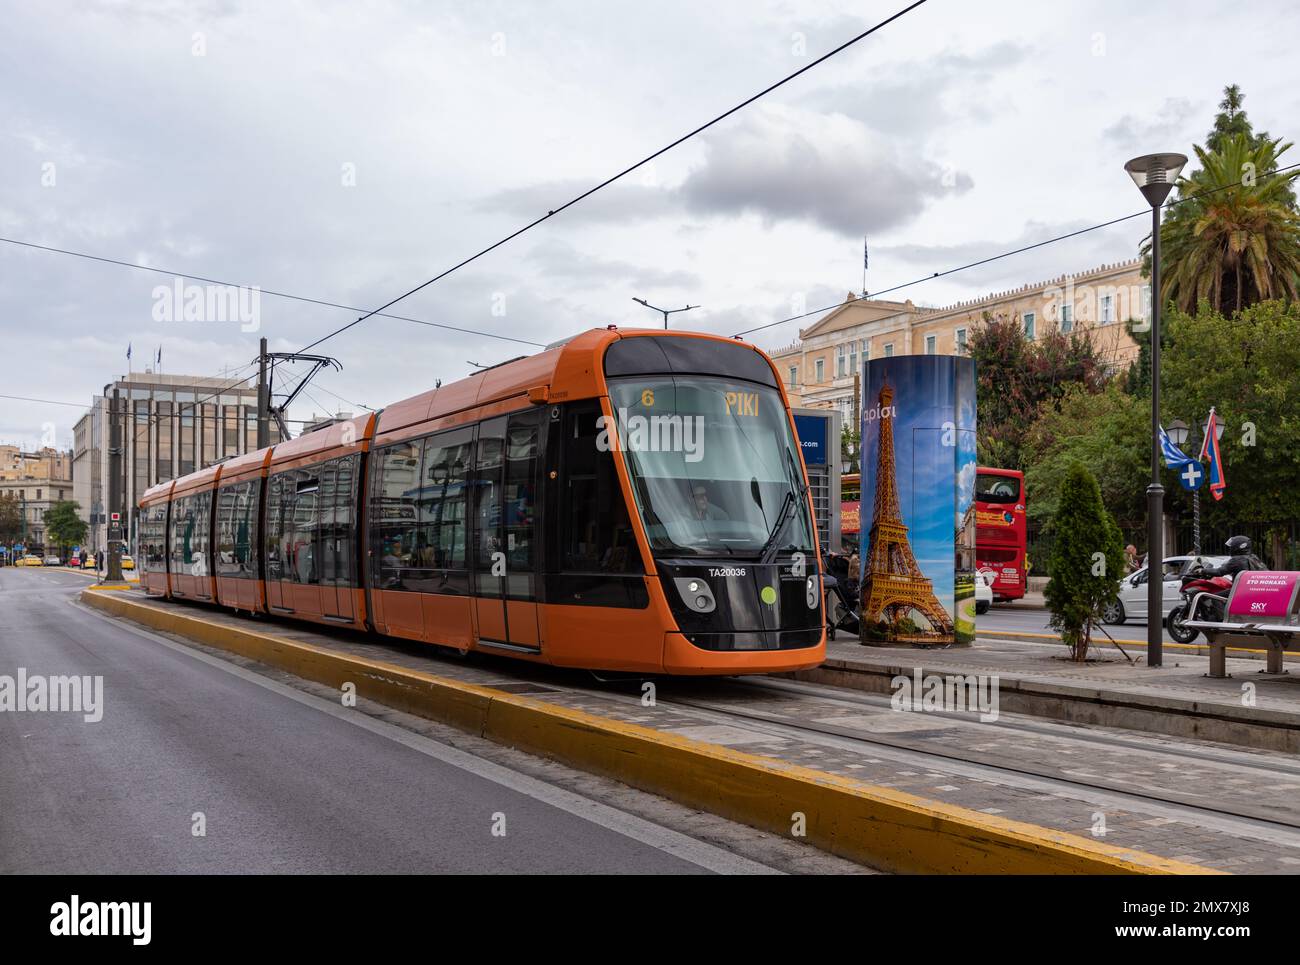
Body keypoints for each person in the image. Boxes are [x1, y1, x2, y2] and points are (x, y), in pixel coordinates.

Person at [1200, 535, 1267, 581]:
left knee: (1213, 597)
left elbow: (1219, 572)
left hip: (1239, 590)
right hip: (1250, 588)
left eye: (1232, 546)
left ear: (1238, 546)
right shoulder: (1253, 557)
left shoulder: (1237, 560)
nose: (1231, 548)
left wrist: (1203, 570)